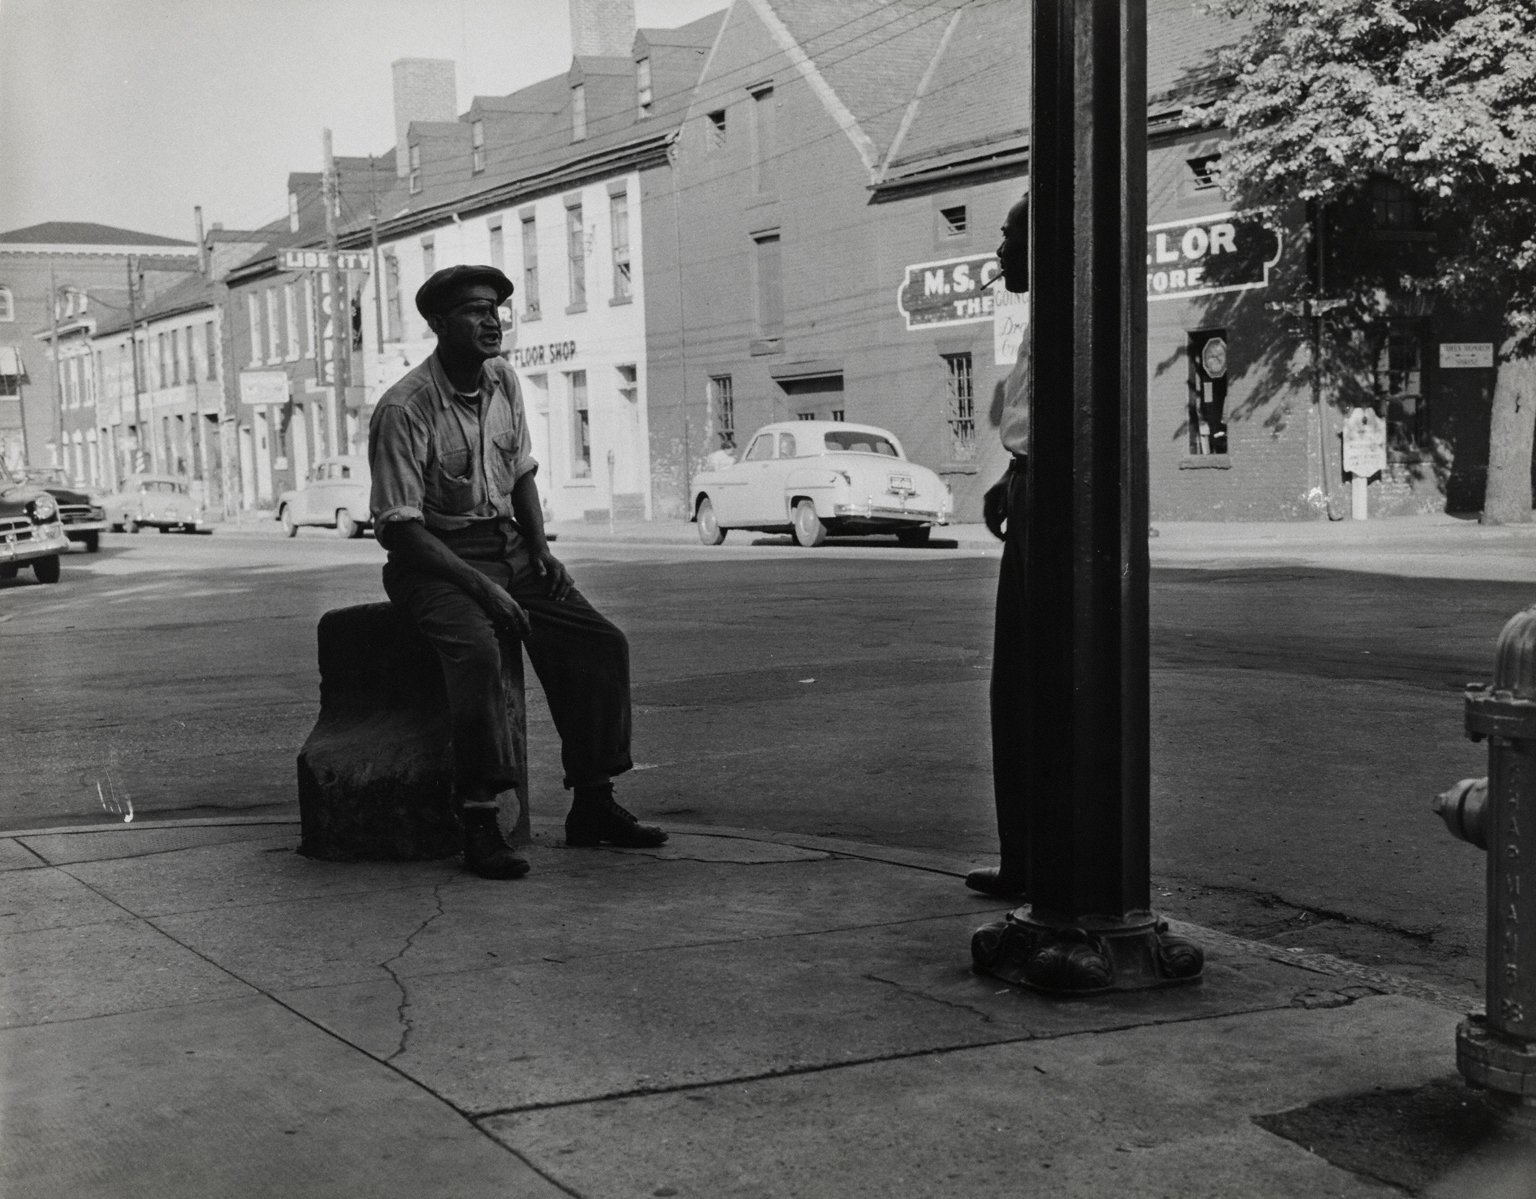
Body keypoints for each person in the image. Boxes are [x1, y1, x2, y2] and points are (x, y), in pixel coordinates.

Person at [368, 264, 666, 880]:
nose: (490, 321)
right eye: (474, 311)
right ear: (437, 324)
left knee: (600, 643)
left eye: (495, 309)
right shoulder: (405, 407)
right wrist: (483, 590)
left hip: (510, 549)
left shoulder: (503, 380)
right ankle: (479, 820)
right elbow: (400, 528)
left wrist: (542, 551)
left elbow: (521, 472)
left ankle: (593, 802)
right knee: (478, 653)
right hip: (434, 563)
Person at [966, 197, 1030, 900]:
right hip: (1030, 494)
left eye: (1011, 237)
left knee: (1023, 688)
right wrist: (1012, 478)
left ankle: (1033, 862)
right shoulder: (1042, 317)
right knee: (1012, 688)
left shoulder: (1070, 313)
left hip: (1049, 509)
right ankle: (1025, 856)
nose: (1001, 252)